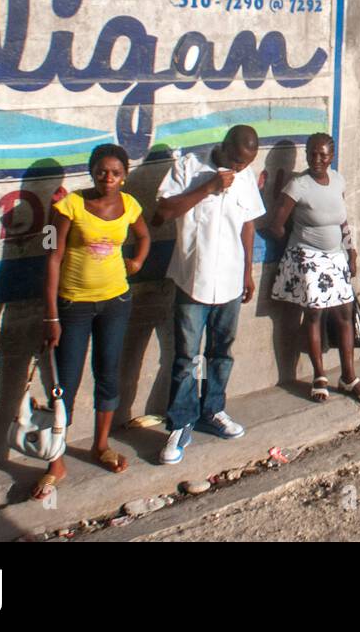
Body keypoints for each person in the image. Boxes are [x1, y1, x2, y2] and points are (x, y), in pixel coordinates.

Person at [34, 144, 151, 500]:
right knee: (64, 381)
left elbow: (145, 235)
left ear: (125, 175)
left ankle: (101, 445)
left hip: (116, 301)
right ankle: (56, 460)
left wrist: (138, 261)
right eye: (101, 171)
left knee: (108, 371)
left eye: (115, 173)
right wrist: (51, 314)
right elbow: (52, 258)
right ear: (91, 171)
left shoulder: (130, 205)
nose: (108, 178)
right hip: (74, 306)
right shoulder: (67, 206)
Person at [154, 125, 265, 464]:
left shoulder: (245, 176)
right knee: (187, 357)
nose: (239, 168)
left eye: (245, 164)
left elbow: (248, 223)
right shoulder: (188, 167)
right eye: (235, 160)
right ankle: (180, 422)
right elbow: (162, 213)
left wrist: (247, 270)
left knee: (222, 351)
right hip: (193, 280)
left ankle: (213, 410)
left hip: (230, 280)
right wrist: (210, 187)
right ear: (223, 146)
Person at [268, 133, 360, 404]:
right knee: (314, 314)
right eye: (312, 154)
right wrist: (297, 252)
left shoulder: (338, 180)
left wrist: (351, 251)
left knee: (344, 313)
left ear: (331, 157)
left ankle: (349, 376)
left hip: (336, 257)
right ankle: (319, 376)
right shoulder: (298, 186)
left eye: (322, 155)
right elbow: (277, 224)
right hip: (309, 257)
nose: (316, 160)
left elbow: (343, 220)